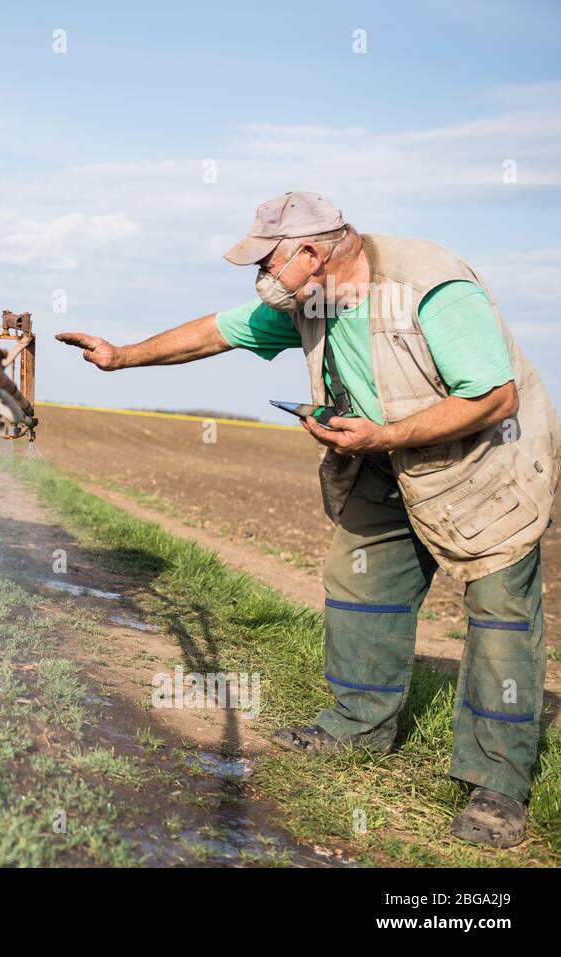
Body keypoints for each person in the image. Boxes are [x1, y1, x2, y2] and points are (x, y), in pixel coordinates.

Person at [56, 192, 560, 848]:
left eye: (264, 263)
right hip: (385, 458)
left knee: (500, 616)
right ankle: (357, 724)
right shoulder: (306, 300)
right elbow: (216, 332)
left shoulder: (428, 286)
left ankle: (497, 783)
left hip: (485, 465)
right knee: (360, 582)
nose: (257, 278)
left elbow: (495, 397)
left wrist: (384, 434)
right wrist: (123, 357)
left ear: (312, 253)